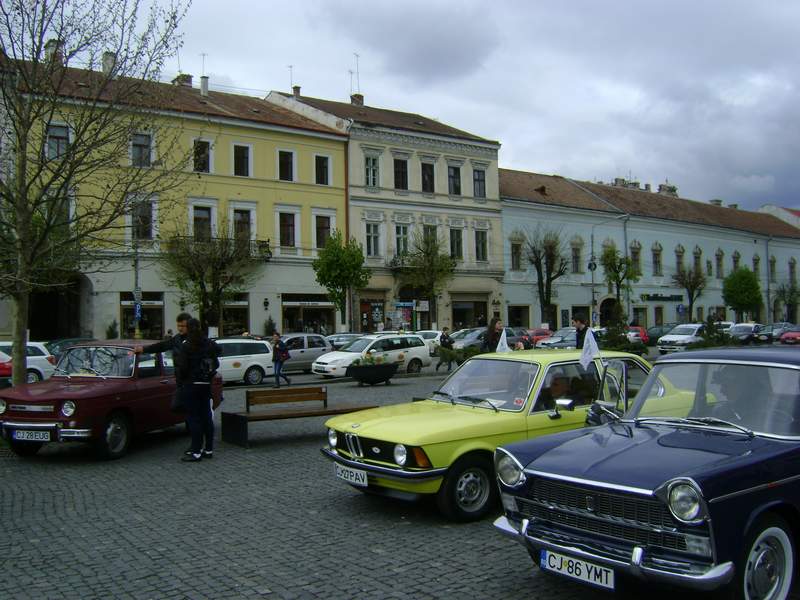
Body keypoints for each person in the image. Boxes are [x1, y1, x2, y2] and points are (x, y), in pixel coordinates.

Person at [174, 318, 220, 462]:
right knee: (206, 416)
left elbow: (183, 367)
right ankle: (208, 449)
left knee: (193, 418)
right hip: (205, 384)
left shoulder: (187, 345)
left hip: (191, 384)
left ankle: (196, 451)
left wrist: (181, 380)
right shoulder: (208, 343)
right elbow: (218, 356)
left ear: (188, 328)